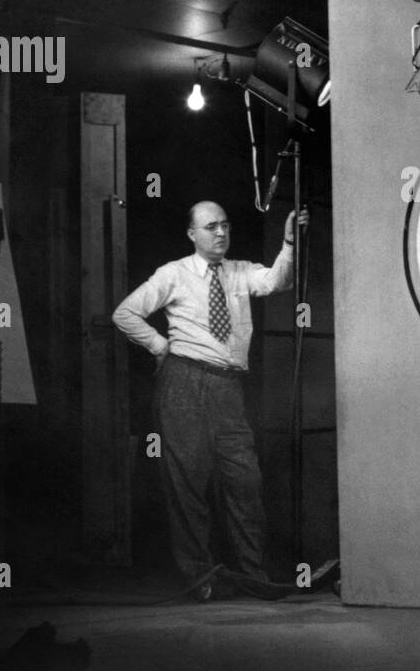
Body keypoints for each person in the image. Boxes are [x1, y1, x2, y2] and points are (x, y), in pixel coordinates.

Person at [113, 200, 307, 601]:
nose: (220, 233)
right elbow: (125, 313)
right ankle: (199, 579)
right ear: (192, 234)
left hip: (228, 389)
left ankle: (253, 575)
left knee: (245, 480)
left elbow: (277, 281)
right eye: (211, 227)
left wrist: (289, 242)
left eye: (225, 225)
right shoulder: (174, 274)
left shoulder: (239, 271)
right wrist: (159, 345)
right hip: (184, 383)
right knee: (188, 484)